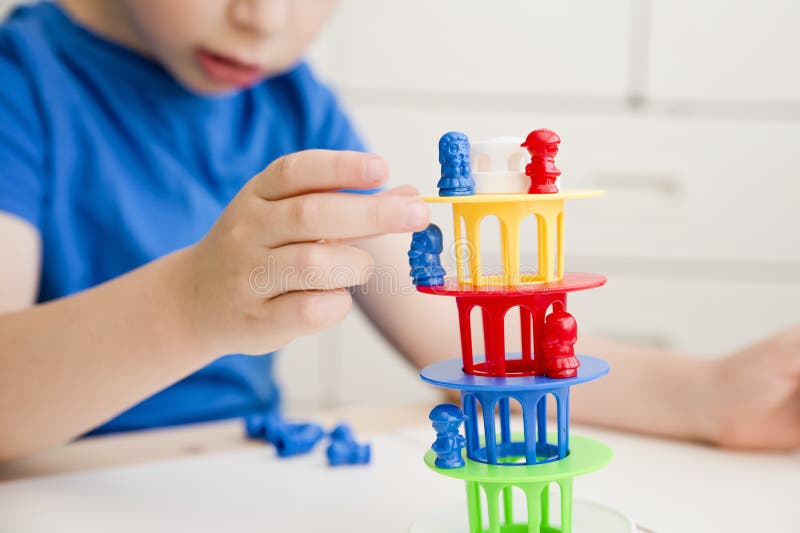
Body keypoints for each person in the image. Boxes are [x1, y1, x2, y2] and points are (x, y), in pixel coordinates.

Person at [0, 0, 797, 463]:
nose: (264, 20)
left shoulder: (291, 104)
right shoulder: (22, 83)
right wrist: (189, 305)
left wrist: (709, 396)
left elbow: (460, 340)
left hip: (230, 471)